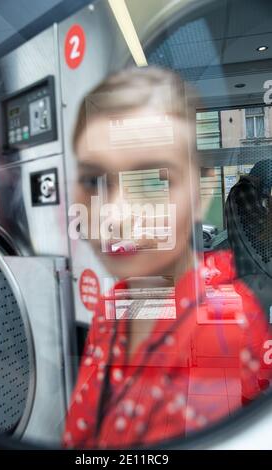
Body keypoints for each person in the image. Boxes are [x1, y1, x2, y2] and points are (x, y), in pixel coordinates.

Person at [63, 66, 272, 449]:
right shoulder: (114, 310)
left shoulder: (223, 323)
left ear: (203, 190)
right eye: (94, 180)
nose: (114, 214)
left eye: (155, 180)